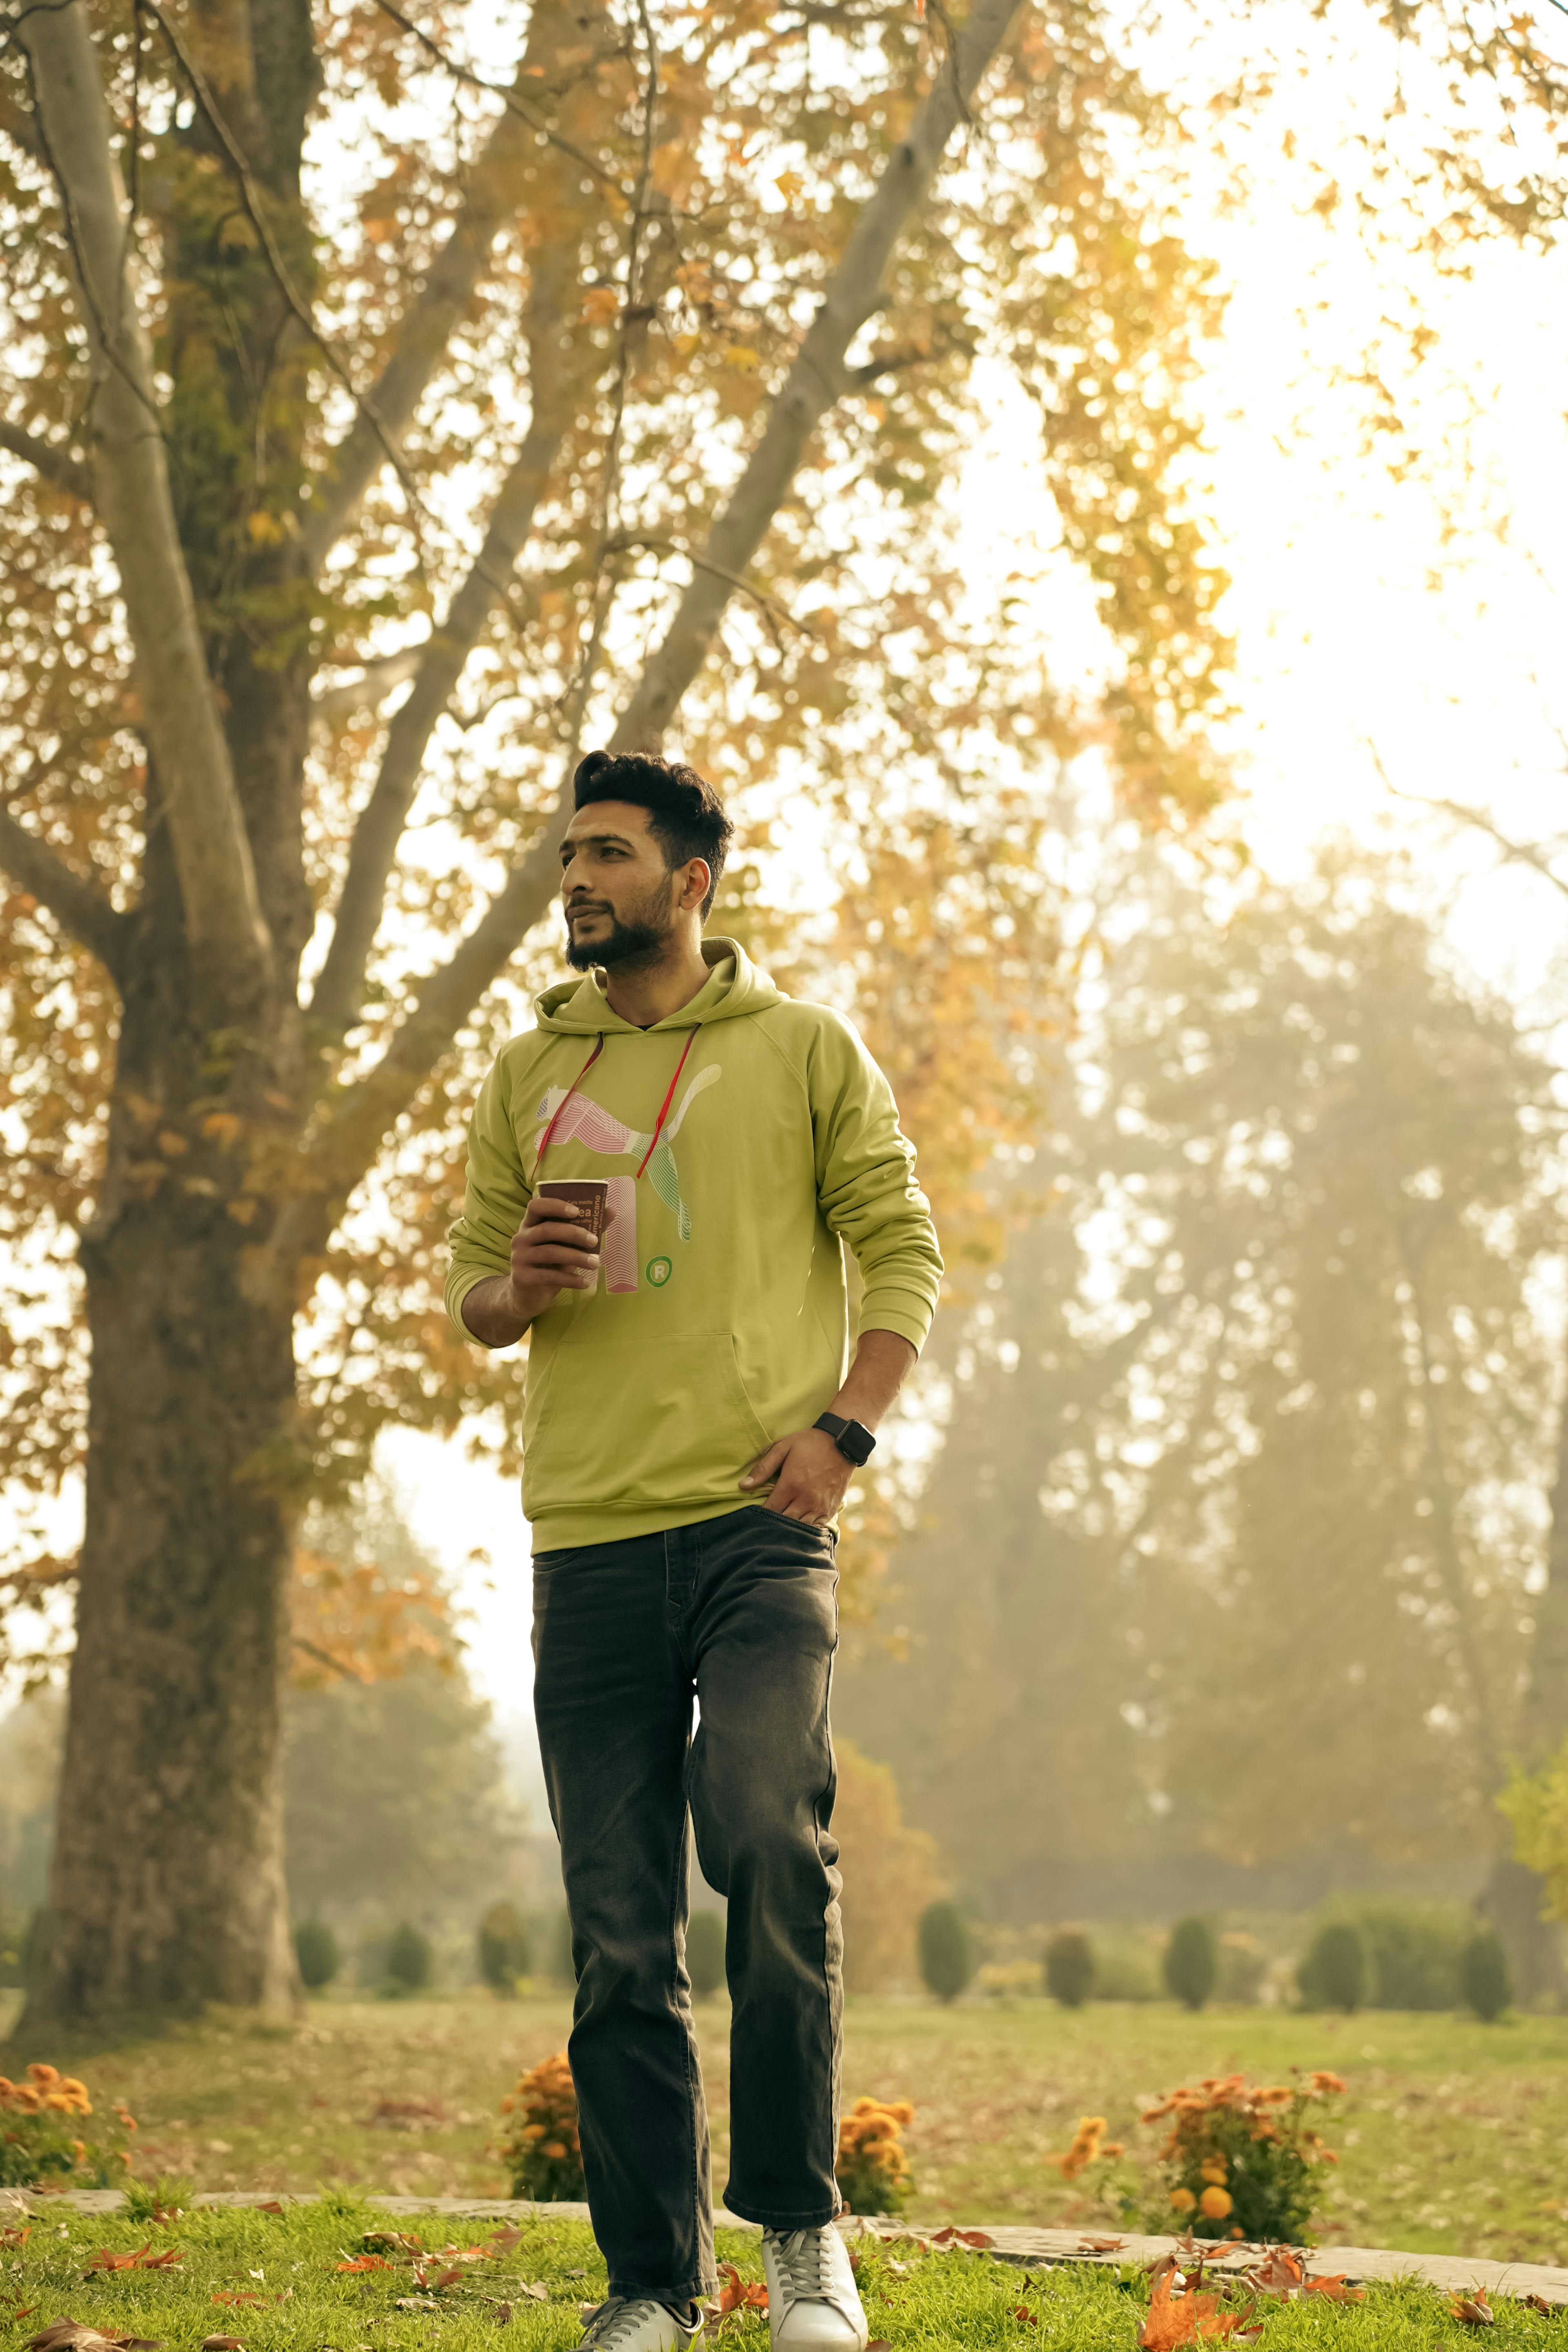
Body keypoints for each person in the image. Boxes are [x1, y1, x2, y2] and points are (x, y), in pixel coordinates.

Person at [446, 749, 942, 2352]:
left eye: (606, 853)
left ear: (692, 882)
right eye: (568, 856)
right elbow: (474, 1301)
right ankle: (654, 2284)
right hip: (588, 1540)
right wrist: (518, 1285)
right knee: (615, 1936)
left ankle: (802, 2239)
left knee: (769, 1843)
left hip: (757, 1530)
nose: (577, 879)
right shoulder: (527, 1073)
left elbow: (901, 1246)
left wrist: (843, 1432)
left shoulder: (801, 1048)